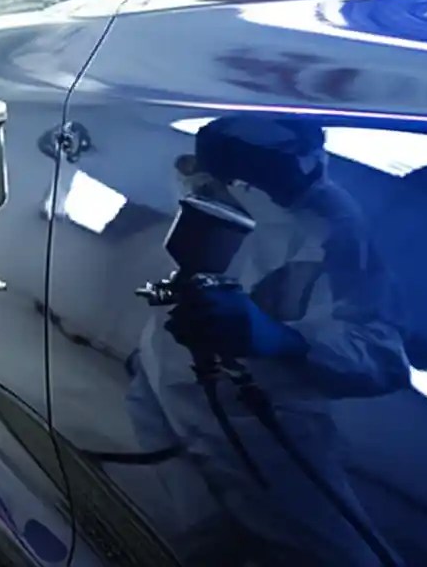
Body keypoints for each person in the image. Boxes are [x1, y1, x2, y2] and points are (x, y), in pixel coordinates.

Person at [124, 115, 411, 566]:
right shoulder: (196, 182)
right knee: (195, 543)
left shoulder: (332, 224)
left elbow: (383, 357)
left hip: (262, 426)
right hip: (161, 390)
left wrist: (282, 338)